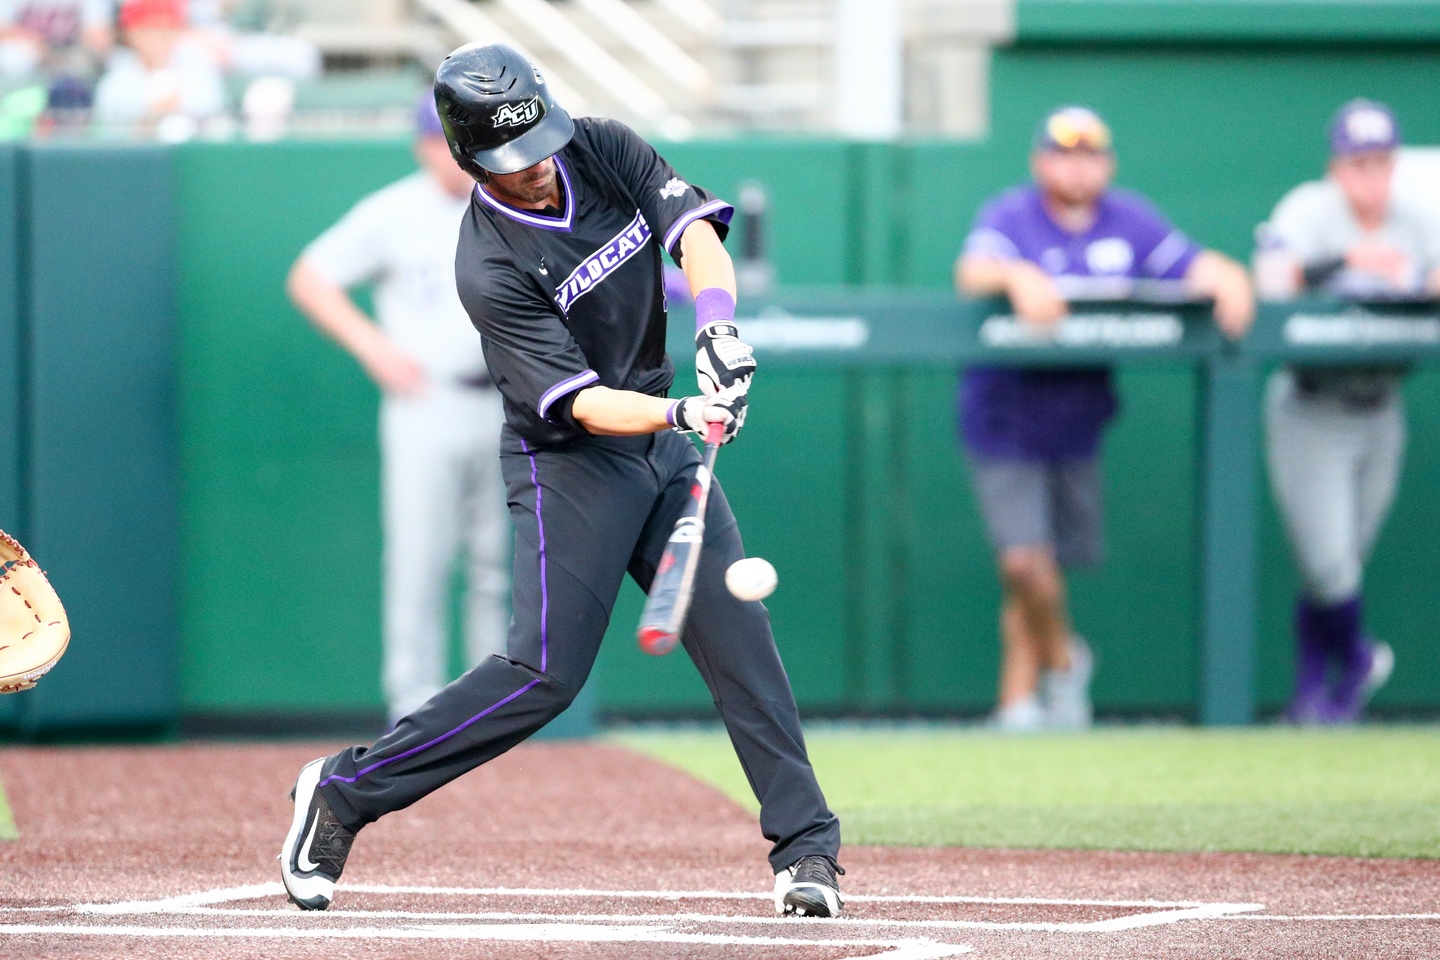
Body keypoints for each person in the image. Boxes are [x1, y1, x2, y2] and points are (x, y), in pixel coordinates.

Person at [279, 43, 844, 918]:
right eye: (512, 160)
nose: (538, 170)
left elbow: (690, 230)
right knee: (542, 674)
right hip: (571, 463)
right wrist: (686, 416)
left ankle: (807, 852)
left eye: (540, 144)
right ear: (469, 158)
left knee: (740, 640)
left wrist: (718, 329)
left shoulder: (603, 145)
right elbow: (582, 409)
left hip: (662, 433)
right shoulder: (488, 263)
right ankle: (345, 791)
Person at [954, 105, 1254, 732]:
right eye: (1064, 153)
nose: (1078, 166)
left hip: (1078, 416)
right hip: (1004, 411)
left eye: (1091, 154)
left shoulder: (1131, 218)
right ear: (1041, 161)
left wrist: (1229, 275)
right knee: (1023, 560)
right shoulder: (1012, 215)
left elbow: (1194, 265)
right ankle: (1063, 665)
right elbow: (971, 269)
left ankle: (1019, 701)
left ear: (1108, 163)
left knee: (1045, 565)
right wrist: (1015, 273)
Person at [286, 95, 510, 729]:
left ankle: (496, 705)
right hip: (427, 399)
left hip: (505, 399)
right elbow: (310, 277)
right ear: (421, 145)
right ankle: (415, 707)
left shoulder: (507, 201)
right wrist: (372, 346)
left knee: (498, 561)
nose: (452, 153)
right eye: (440, 141)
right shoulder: (395, 211)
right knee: (421, 555)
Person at [1257, 99, 1440, 724]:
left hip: (1381, 406)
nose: (1372, 177)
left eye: (1382, 163)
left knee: (1339, 567)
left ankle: (1316, 697)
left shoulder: (1418, 216)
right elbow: (1271, 282)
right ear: (1338, 166)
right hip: (1313, 403)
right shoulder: (1310, 209)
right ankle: (1357, 658)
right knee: (1329, 563)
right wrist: (1347, 261)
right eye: (1359, 164)